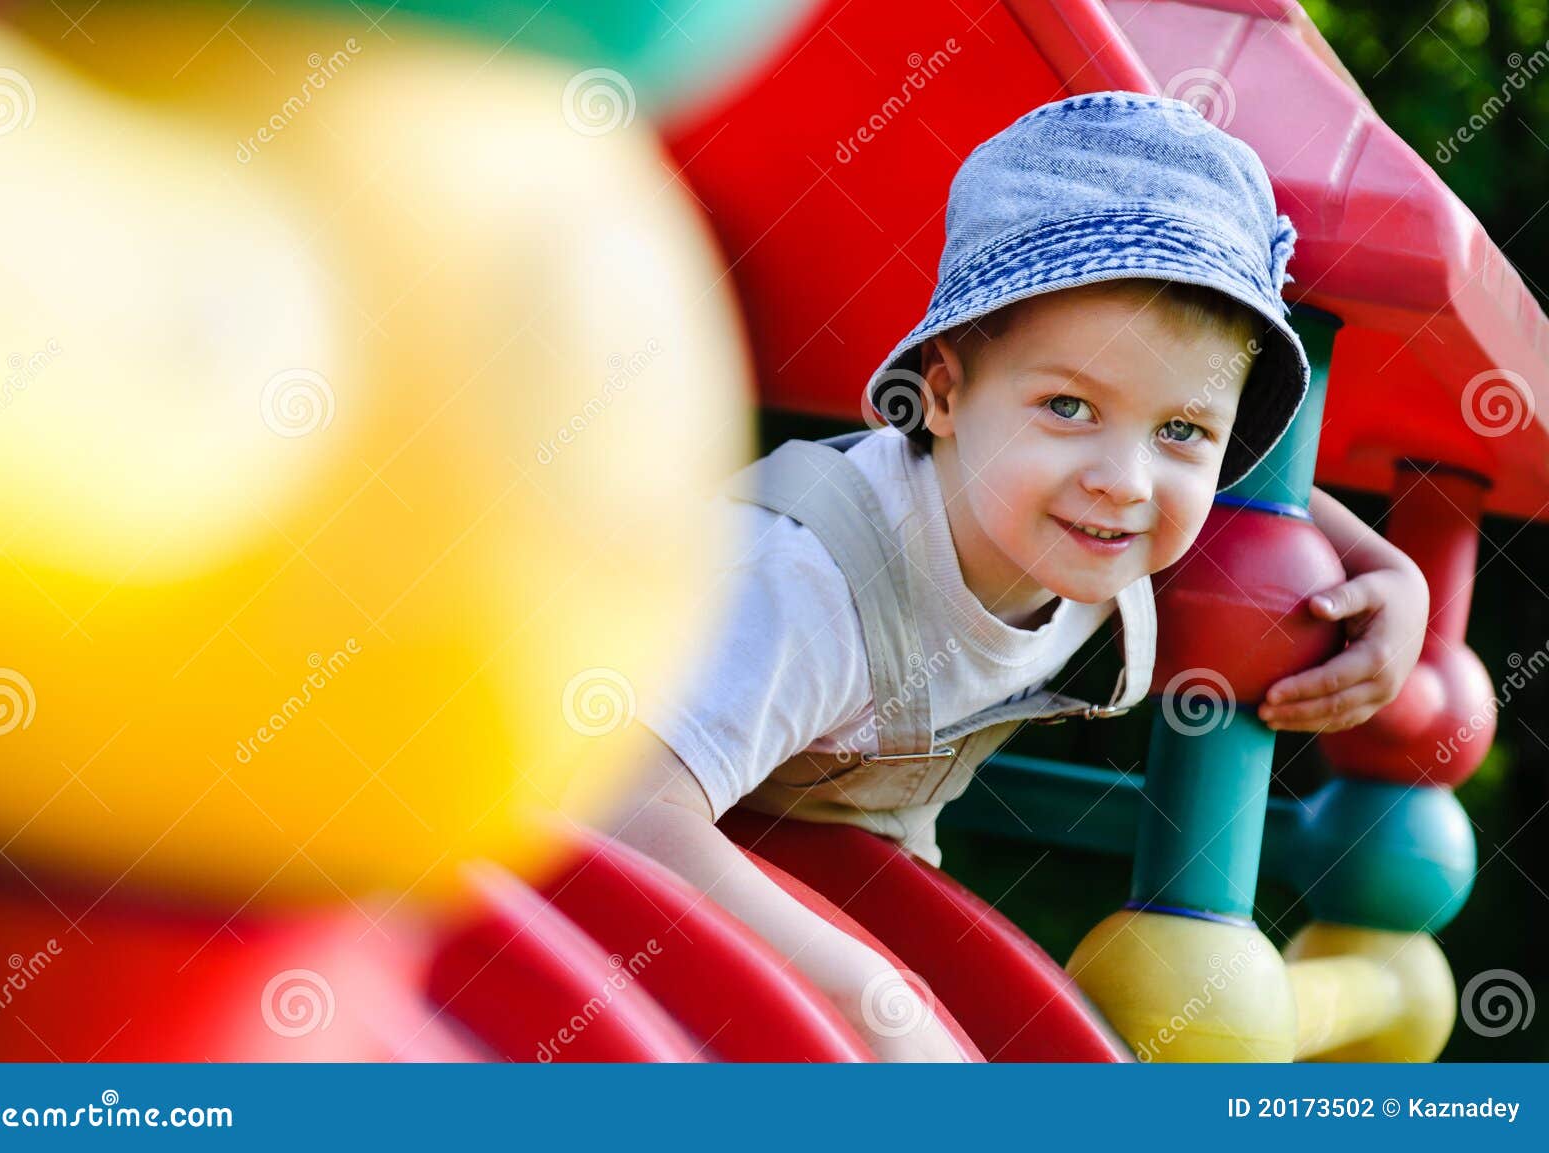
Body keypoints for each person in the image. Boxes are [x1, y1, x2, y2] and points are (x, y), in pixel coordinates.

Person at [598, 93, 1429, 1061]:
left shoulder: (1100, 524)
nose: (1123, 481)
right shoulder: (810, 578)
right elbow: (619, 808)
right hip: (572, 879)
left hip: (817, 865)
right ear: (944, 393)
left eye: (1180, 431)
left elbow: (1259, 509)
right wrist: (871, 995)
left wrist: (1389, 574)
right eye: (1069, 406)